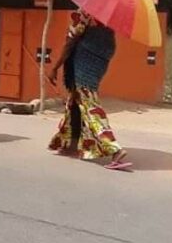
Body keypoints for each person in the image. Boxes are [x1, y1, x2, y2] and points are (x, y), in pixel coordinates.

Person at [47, 11, 131, 170]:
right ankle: (68, 142)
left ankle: (115, 150)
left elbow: (70, 42)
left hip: (84, 61)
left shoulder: (84, 13)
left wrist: (55, 67)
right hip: (100, 61)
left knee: (89, 104)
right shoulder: (111, 16)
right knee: (75, 99)